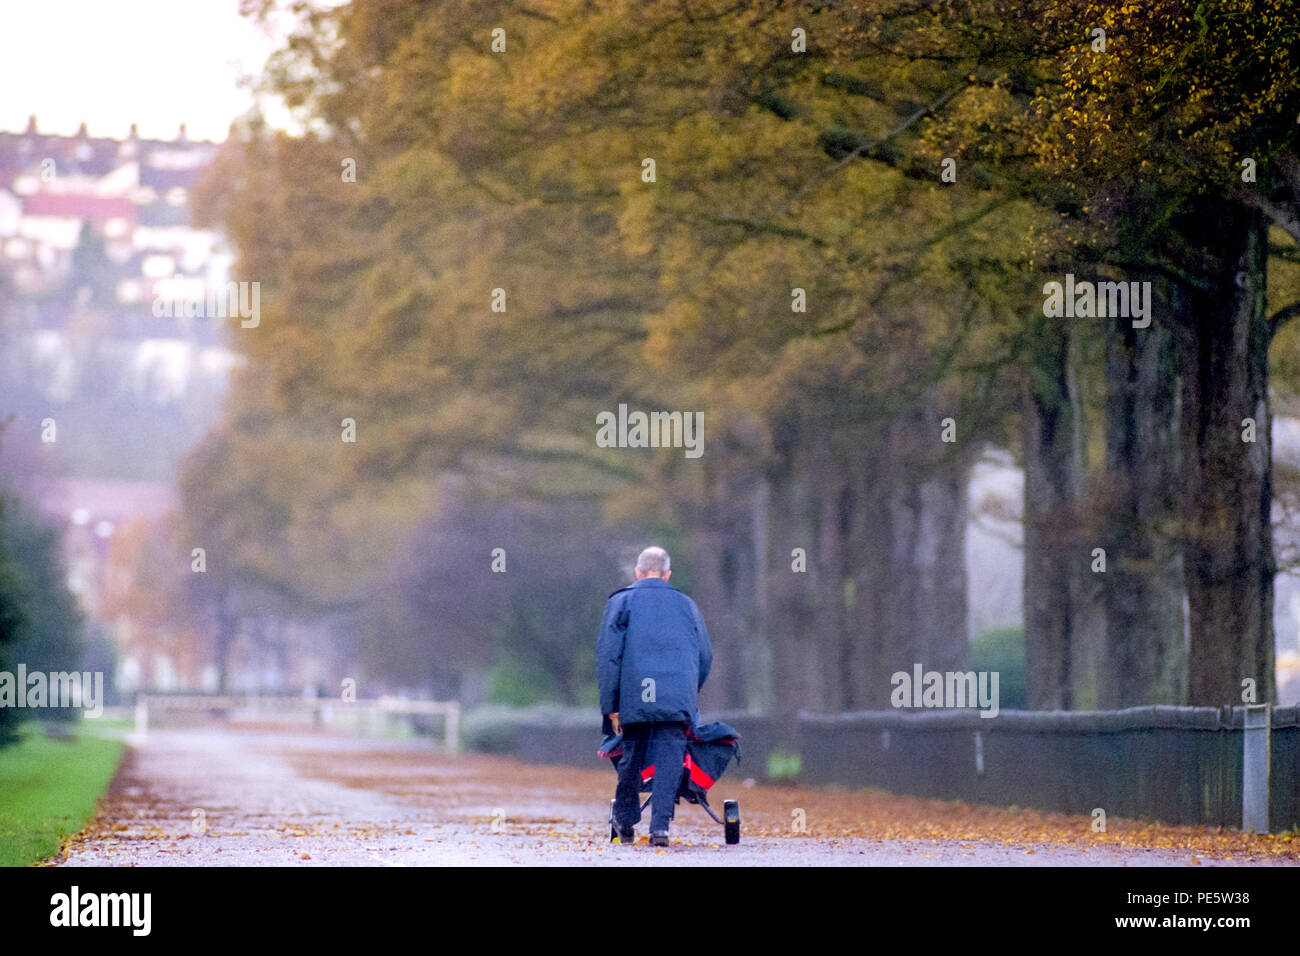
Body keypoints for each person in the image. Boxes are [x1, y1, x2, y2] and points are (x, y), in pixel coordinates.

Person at [596, 545, 712, 847]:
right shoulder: (688, 606)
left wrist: (612, 705)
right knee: (671, 756)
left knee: (632, 754)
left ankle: (624, 821)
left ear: (637, 572)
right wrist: (688, 691)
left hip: (635, 694)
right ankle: (660, 828)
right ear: (667, 574)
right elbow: (704, 655)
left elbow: (609, 657)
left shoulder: (621, 602)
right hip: (676, 696)